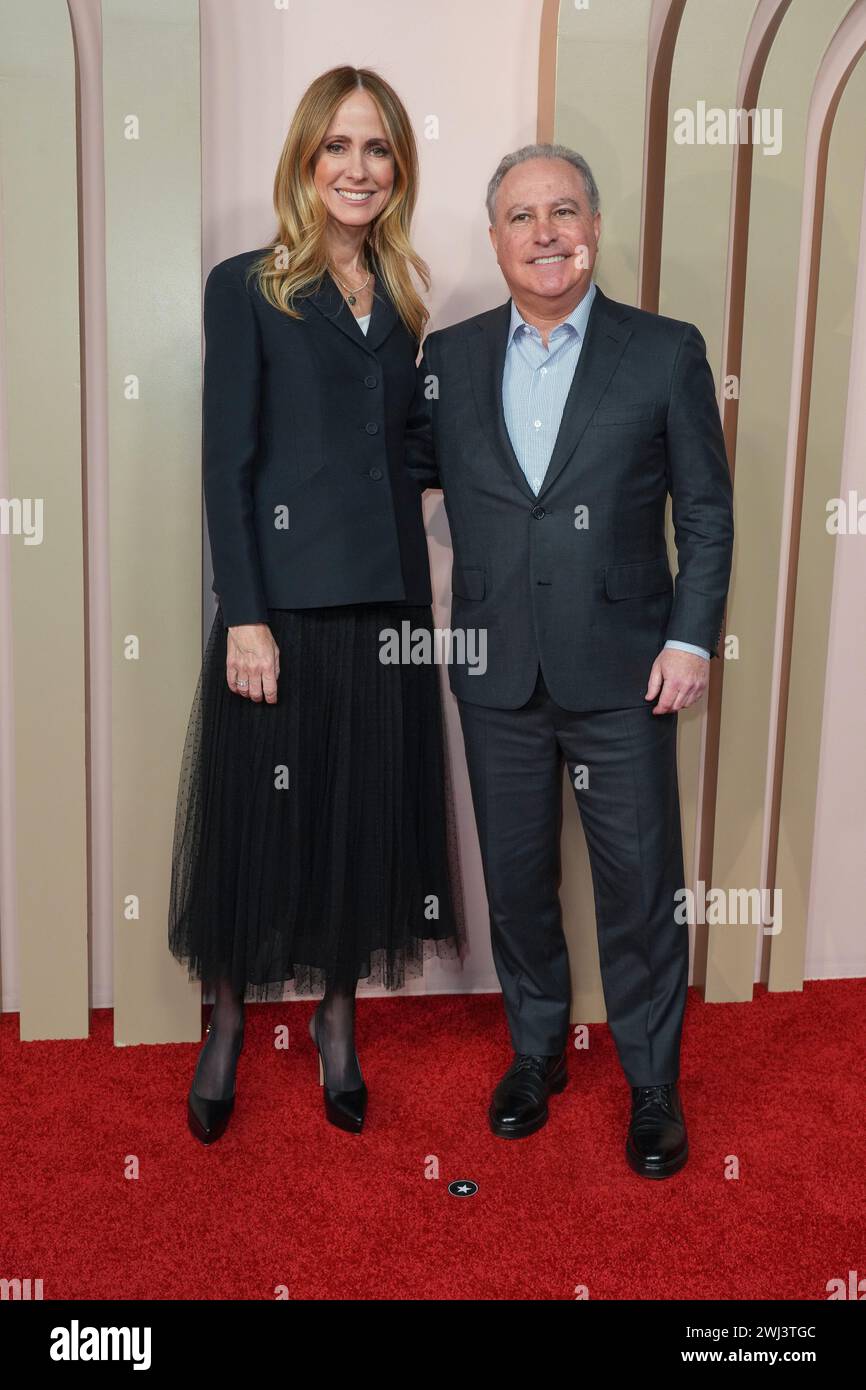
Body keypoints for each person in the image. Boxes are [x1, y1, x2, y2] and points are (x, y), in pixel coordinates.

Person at [405, 144, 734, 1177]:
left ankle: (650, 1085)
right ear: (494, 238)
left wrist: (688, 638)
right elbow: (414, 479)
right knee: (516, 881)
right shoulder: (447, 357)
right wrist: (495, 552)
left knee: (638, 887)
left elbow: (707, 514)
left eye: (561, 210)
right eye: (518, 215)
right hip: (495, 670)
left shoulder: (663, 349)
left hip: (626, 673)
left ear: (591, 227)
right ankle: (536, 1054)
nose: (542, 232)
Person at [168, 66, 465, 1145]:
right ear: (304, 158)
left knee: (357, 821)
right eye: (337, 146)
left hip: (384, 607)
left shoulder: (404, 296)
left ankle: (338, 1027)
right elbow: (227, 463)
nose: (357, 167)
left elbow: (402, 448)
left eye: (377, 149)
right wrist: (240, 611)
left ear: (398, 168)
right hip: (280, 613)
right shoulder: (242, 283)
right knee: (260, 825)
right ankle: (229, 1027)